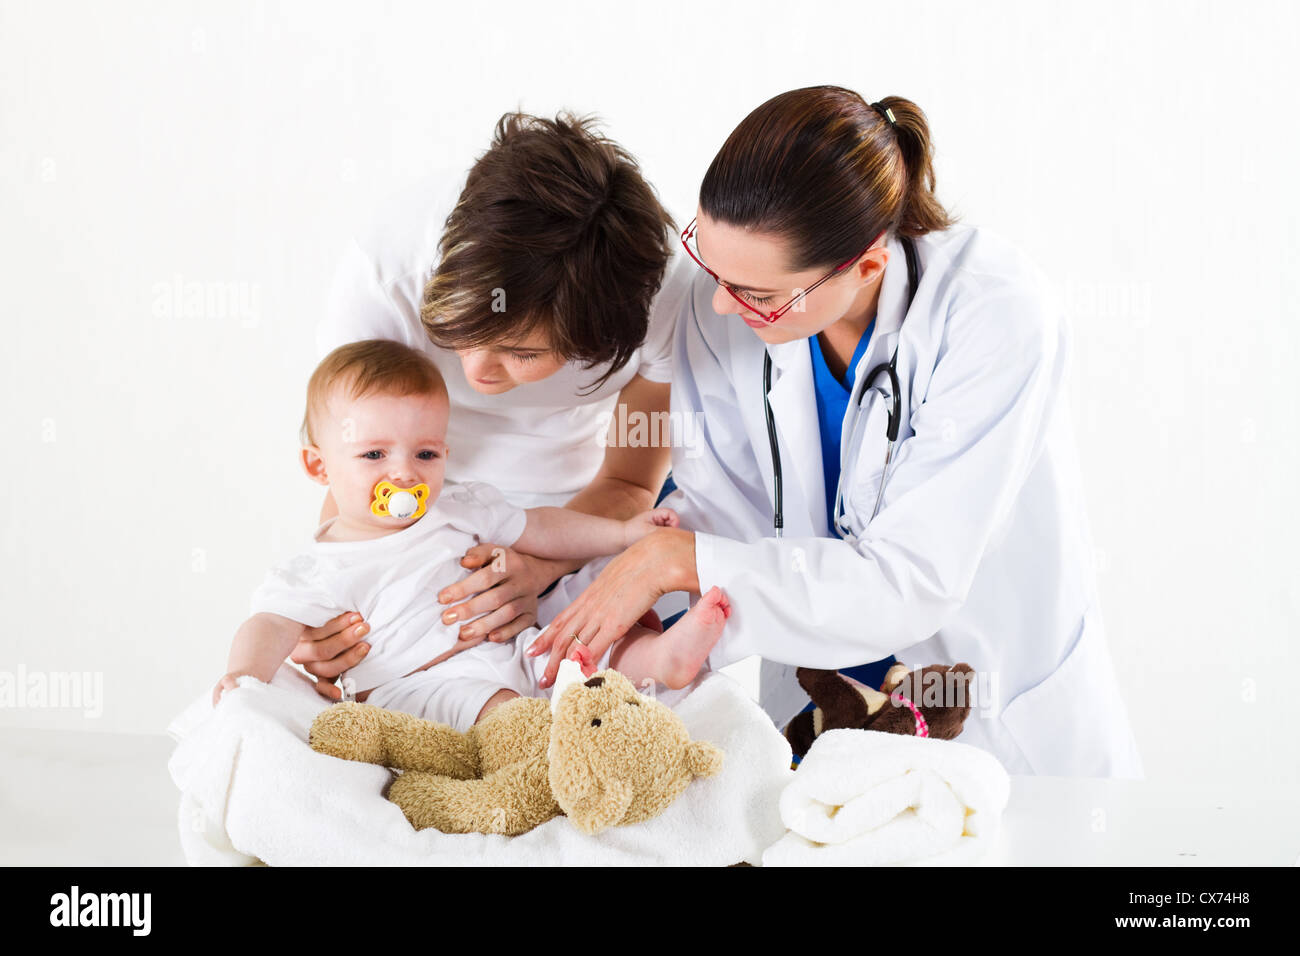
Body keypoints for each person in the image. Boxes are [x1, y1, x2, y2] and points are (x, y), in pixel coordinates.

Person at [534, 86, 1144, 778]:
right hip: (819, 707)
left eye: (760, 295)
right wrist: (562, 593)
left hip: (986, 721)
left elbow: (909, 580)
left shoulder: (994, 313)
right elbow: (720, 516)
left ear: (865, 268)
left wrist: (675, 561)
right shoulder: (729, 295)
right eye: (707, 260)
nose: (719, 305)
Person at [293, 111, 693, 698]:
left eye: (521, 353)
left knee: (604, 661)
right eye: (460, 329)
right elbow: (358, 461)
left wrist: (541, 569)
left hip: (586, 513)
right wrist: (337, 603)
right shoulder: (391, 271)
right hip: (416, 517)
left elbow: (631, 479)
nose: (474, 370)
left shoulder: (666, 301)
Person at [213, 340, 731, 731]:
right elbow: (269, 625)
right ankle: (555, 742)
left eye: (426, 454)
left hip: (513, 644)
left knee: (585, 644)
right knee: (501, 715)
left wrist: (620, 533)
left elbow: (543, 528)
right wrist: (244, 675)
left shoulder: (458, 506)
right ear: (317, 466)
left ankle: (662, 660)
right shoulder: (317, 567)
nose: (404, 474)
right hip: (421, 685)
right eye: (374, 455)